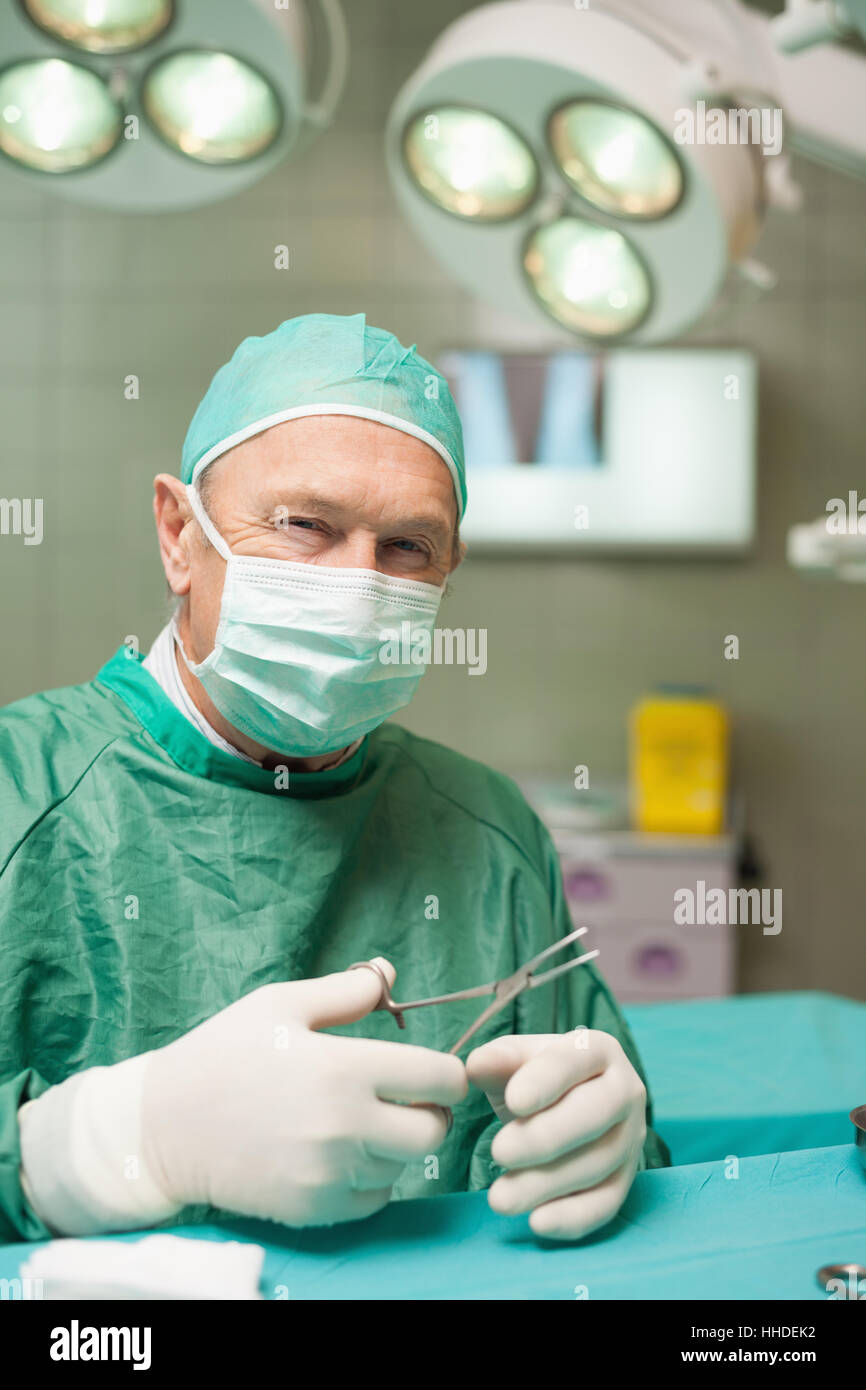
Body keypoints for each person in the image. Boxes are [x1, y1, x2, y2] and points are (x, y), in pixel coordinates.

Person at [0, 313, 669, 1246]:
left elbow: (592, 1166)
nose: (358, 589)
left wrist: (615, 1148)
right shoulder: (20, 801)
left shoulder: (487, 830)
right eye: (304, 525)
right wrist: (113, 1145)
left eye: (407, 549)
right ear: (178, 534)